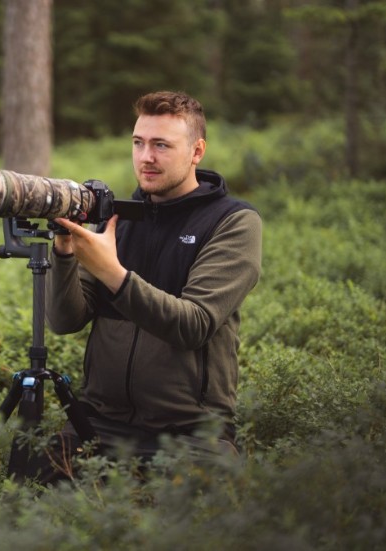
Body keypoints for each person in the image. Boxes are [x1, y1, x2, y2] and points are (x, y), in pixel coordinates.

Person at [34, 90, 262, 483]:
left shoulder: (233, 222)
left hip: (191, 435)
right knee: (29, 502)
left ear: (196, 151)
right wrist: (66, 253)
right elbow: (64, 320)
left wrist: (113, 273)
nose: (146, 157)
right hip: (99, 425)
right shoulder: (116, 219)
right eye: (138, 143)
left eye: (161, 145)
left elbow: (194, 324)